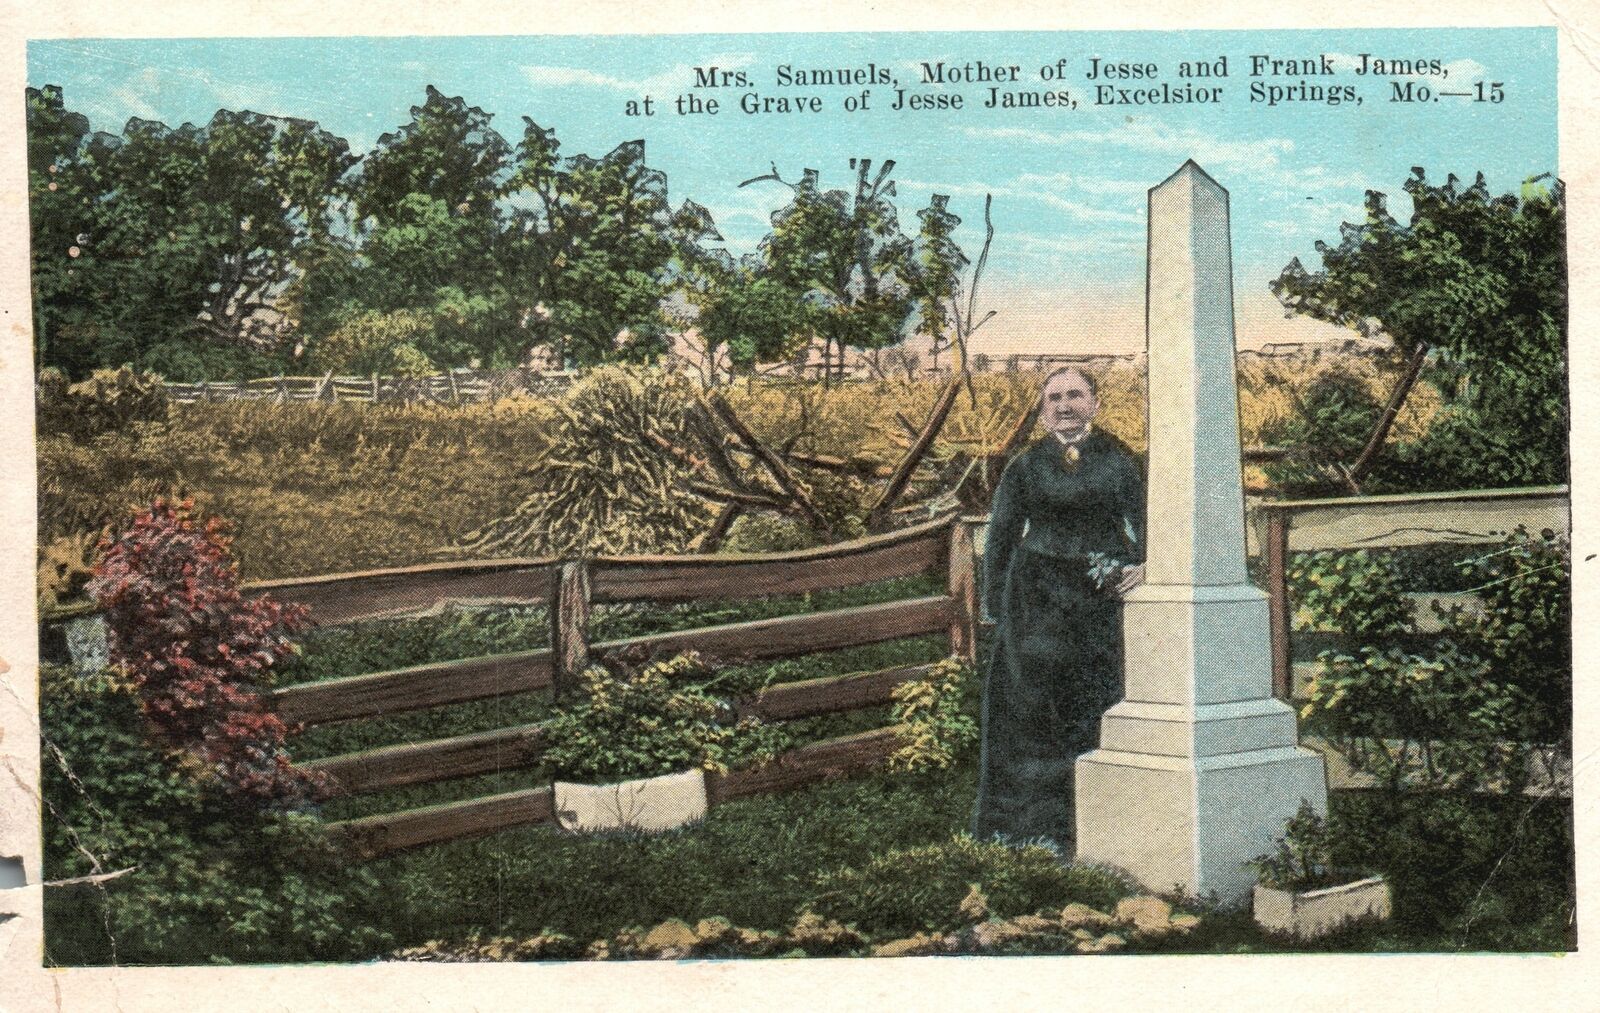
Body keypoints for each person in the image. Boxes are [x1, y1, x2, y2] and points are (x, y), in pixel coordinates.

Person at [972, 366, 1145, 850]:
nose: (1063, 406)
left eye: (1074, 395)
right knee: (1030, 714)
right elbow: (1001, 537)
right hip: (1037, 606)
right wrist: (996, 611)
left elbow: (1150, 520)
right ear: (1043, 409)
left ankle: (1105, 831)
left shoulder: (1122, 460)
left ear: (1095, 402)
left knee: (1095, 705)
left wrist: (1147, 566)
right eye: (1053, 398)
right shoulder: (1024, 466)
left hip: (1099, 604)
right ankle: (1026, 831)